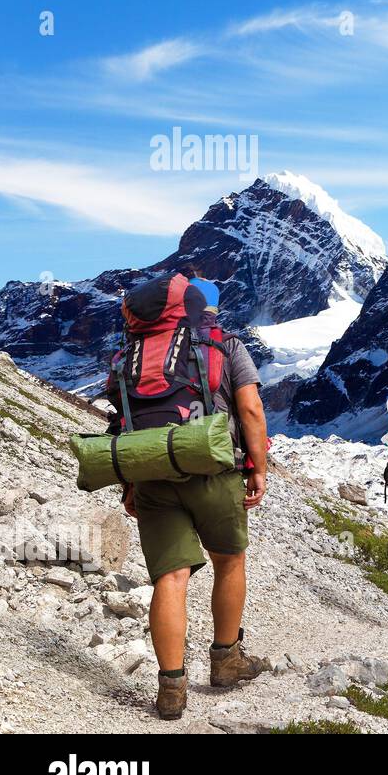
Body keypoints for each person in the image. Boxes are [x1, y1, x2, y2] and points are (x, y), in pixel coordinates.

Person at [114, 274, 271, 720]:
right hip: (213, 468)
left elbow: (124, 418)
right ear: (206, 309)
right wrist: (257, 467)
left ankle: (171, 690)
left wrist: (131, 483)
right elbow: (251, 409)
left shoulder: (131, 353)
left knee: (170, 578)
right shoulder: (224, 345)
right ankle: (225, 660)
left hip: (152, 474)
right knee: (230, 560)